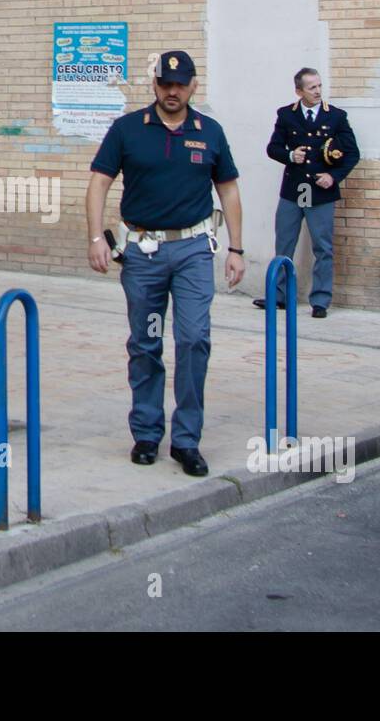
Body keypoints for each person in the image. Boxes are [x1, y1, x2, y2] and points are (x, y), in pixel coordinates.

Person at [86, 50, 245, 477]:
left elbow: (228, 190)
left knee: (193, 339)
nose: (172, 91)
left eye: (180, 84)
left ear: (193, 85)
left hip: (193, 250)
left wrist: (236, 248)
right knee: (145, 343)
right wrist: (96, 236)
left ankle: (187, 440)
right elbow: (99, 182)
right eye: (164, 83)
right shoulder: (127, 130)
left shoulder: (209, 132)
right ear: (154, 84)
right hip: (143, 253)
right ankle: (147, 433)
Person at [254, 68, 359, 318]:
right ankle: (279, 296)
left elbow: (352, 153)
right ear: (299, 91)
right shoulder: (286, 115)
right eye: (312, 87)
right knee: (284, 243)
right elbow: (273, 148)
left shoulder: (335, 116)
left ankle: (320, 300)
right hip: (294, 189)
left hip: (320, 191)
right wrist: (290, 155)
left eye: (319, 86)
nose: (318, 91)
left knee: (322, 246)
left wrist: (333, 177)